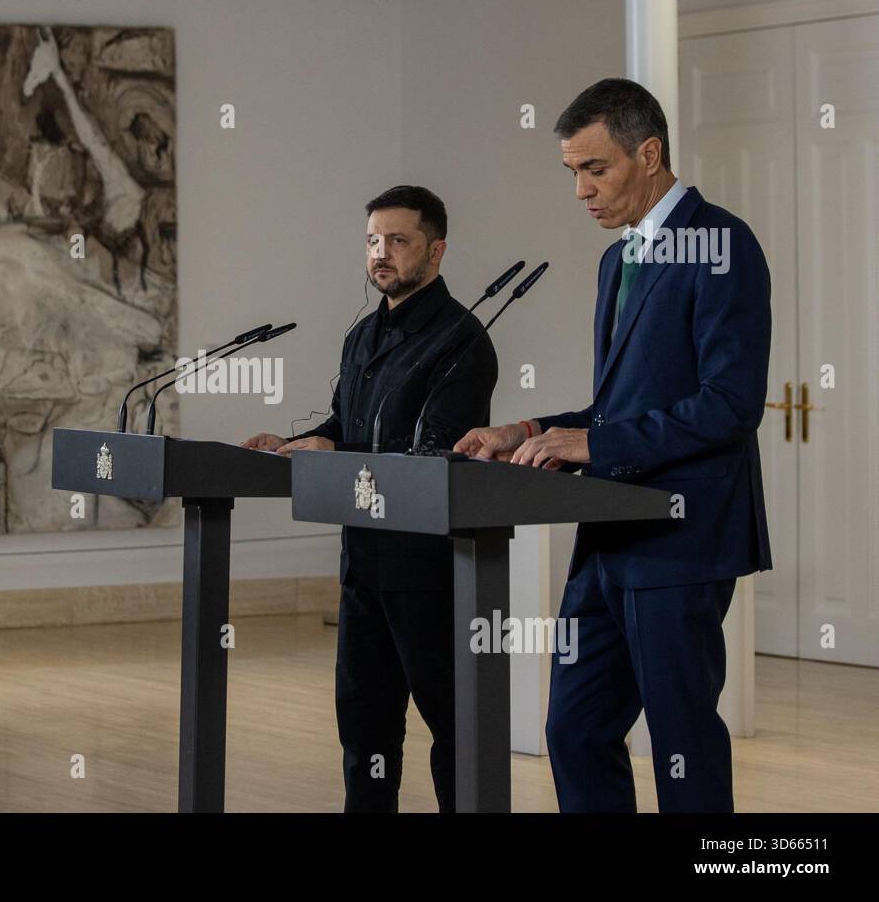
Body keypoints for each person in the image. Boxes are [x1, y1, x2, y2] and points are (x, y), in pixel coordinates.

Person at [454, 78, 772, 812]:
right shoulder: (615, 261)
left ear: (649, 153)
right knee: (575, 728)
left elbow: (729, 406)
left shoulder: (721, 245)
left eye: (594, 170)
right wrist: (529, 431)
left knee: (680, 739)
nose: (581, 191)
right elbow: (621, 408)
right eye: (572, 173)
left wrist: (595, 445)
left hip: (680, 537)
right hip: (606, 536)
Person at [242, 185, 498, 811]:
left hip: (428, 571)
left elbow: (432, 456)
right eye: (372, 241)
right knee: (364, 730)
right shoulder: (361, 336)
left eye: (398, 241)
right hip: (362, 566)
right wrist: (302, 442)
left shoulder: (463, 340)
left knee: (453, 728)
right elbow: (344, 427)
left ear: (435, 251)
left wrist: (339, 453)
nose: (381, 254)